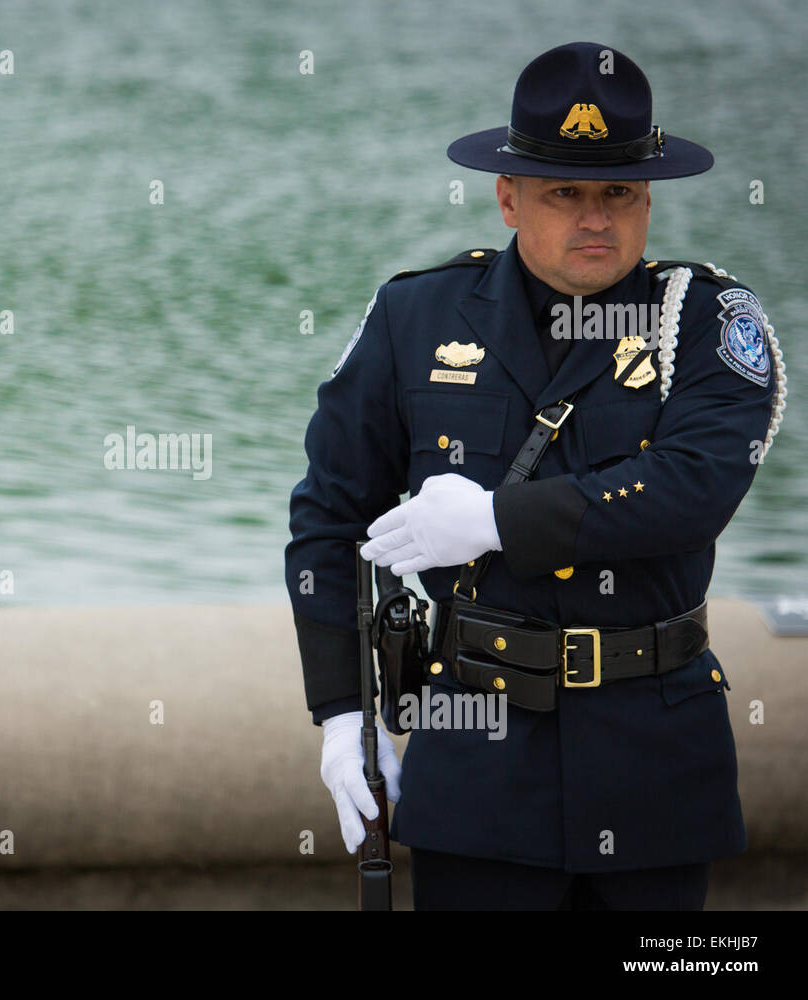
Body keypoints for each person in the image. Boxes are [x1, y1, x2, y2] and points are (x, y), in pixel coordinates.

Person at [286, 42, 785, 910]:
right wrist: (341, 715)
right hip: (477, 758)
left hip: (654, 764)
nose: (597, 219)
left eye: (618, 193)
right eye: (565, 193)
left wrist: (497, 522)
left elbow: (697, 487)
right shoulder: (417, 316)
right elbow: (328, 520)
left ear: (648, 199)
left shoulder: (705, 322)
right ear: (509, 198)